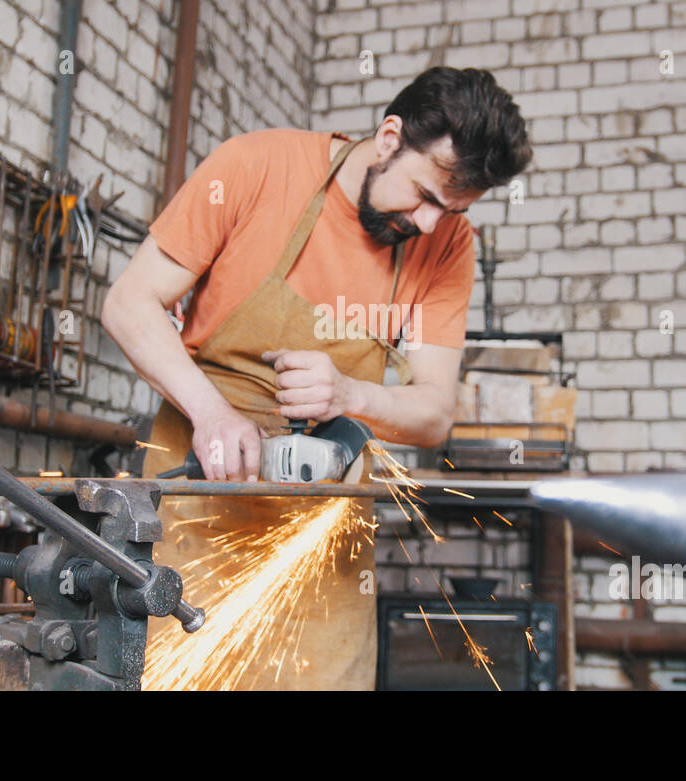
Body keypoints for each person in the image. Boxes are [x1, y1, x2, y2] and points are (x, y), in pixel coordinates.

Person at [103, 66, 532, 689]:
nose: (432, 223)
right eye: (426, 196)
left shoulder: (448, 245)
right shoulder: (256, 167)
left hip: (325, 522)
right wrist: (212, 412)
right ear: (389, 138)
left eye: (456, 209)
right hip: (204, 489)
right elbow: (129, 303)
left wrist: (351, 394)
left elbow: (436, 414)